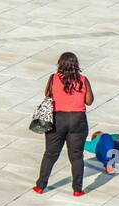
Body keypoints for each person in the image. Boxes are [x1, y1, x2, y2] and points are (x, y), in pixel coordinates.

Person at [34, 52, 94, 196]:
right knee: (76, 156)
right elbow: (89, 101)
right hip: (77, 120)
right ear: (76, 65)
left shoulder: (53, 78)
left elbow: (47, 94)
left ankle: (41, 186)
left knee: (50, 154)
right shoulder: (83, 79)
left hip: (57, 119)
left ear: (60, 63)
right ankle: (77, 190)